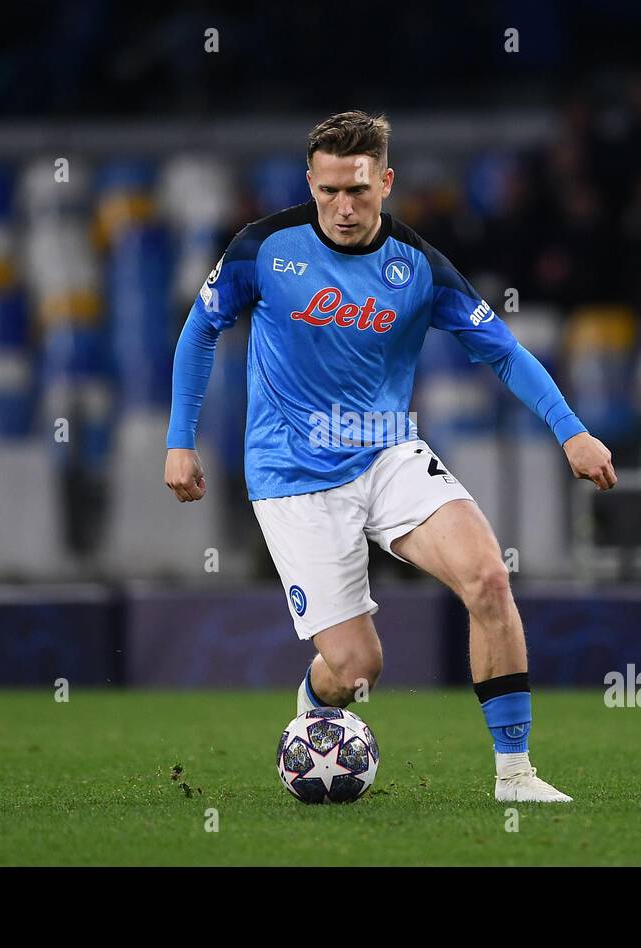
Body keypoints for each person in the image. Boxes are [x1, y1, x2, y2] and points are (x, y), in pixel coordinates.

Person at [164, 111, 616, 802]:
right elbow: (201, 329)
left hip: (387, 453)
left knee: (489, 578)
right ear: (310, 182)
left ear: (387, 182)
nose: (344, 208)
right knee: (355, 667)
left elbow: (501, 349)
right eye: (330, 192)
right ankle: (316, 707)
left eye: (361, 191)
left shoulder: (419, 267)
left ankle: (515, 776)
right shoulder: (264, 249)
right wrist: (179, 439)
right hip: (293, 475)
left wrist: (572, 431)